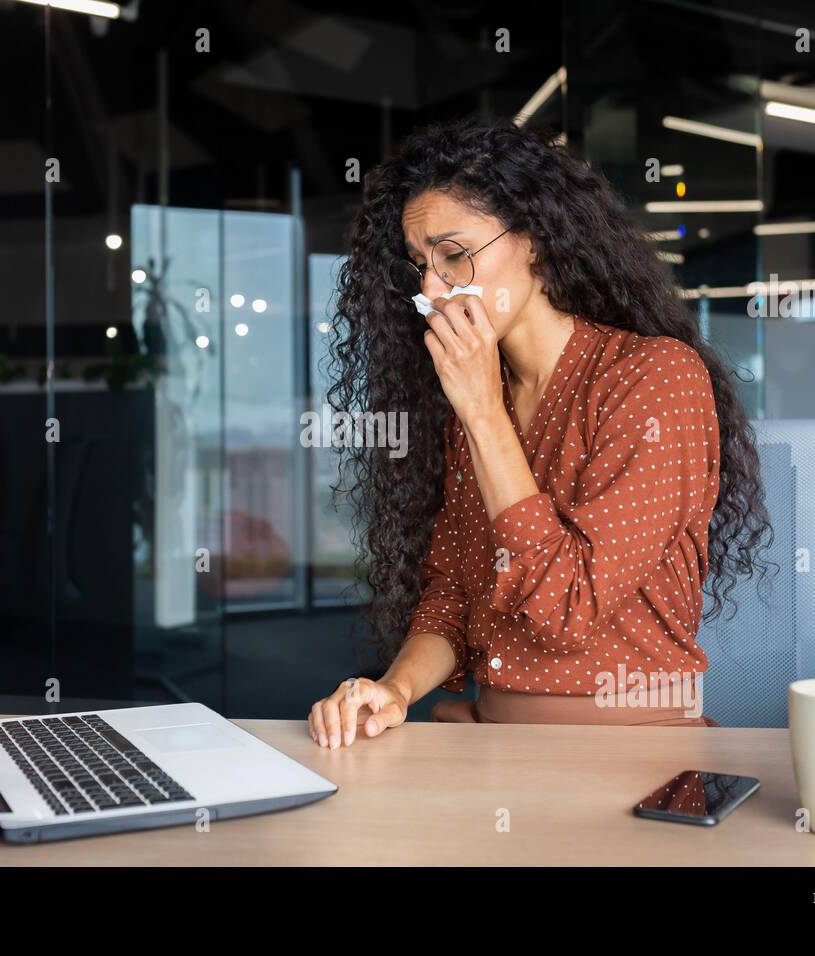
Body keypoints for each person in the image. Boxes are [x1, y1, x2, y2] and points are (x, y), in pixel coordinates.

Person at [308, 118, 772, 745]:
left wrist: (482, 414)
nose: (430, 286)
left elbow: (567, 609)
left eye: (454, 254)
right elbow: (452, 593)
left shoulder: (656, 379)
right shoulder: (479, 400)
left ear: (533, 241)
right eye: (421, 263)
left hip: (633, 748)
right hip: (492, 740)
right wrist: (396, 689)